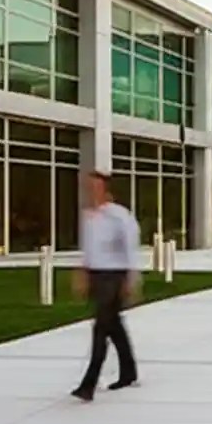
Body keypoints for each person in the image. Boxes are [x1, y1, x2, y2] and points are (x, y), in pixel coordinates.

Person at [71, 171, 140, 403]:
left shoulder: (119, 216)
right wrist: (82, 274)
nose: (92, 191)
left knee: (101, 328)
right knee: (113, 326)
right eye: (89, 187)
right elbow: (89, 250)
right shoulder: (90, 217)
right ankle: (129, 372)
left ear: (106, 189)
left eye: (96, 187)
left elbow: (131, 248)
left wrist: (131, 279)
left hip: (114, 276)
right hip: (97, 276)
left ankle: (88, 384)